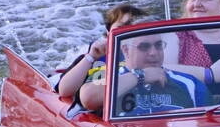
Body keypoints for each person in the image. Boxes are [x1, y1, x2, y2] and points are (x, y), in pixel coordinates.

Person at [79, 28, 208, 117]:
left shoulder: (189, 84)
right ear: (126, 51)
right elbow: (89, 98)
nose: (153, 53)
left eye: (158, 45)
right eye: (144, 47)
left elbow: (210, 126)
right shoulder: (106, 74)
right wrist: (140, 76)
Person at [56, 3, 145, 114]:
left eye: (132, 29)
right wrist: (91, 57)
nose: (126, 33)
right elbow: (64, 91)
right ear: (108, 32)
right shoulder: (94, 58)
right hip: (95, 113)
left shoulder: (149, 58)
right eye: (121, 28)